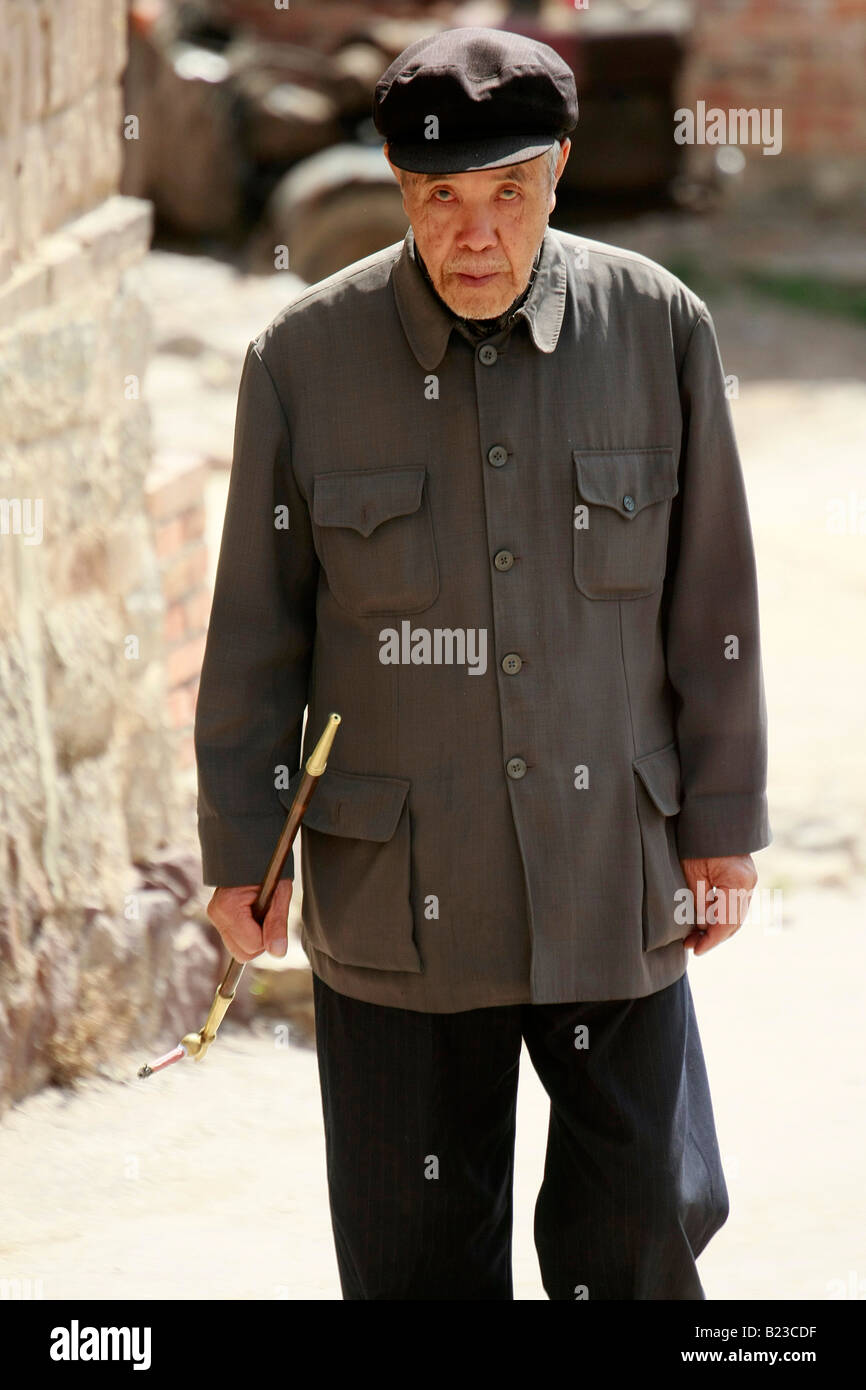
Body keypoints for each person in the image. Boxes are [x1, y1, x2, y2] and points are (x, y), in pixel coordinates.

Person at [194, 27, 771, 1300]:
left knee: (639, 1240)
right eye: (439, 197)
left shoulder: (658, 330)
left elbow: (710, 603)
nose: (472, 234)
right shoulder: (299, 364)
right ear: (398, 188)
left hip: (608, 883)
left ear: (557, 173)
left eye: (505, 192)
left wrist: (719, 829)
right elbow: (255, 634)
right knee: (412, 1263)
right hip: (403, 904)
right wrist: (244, 850)